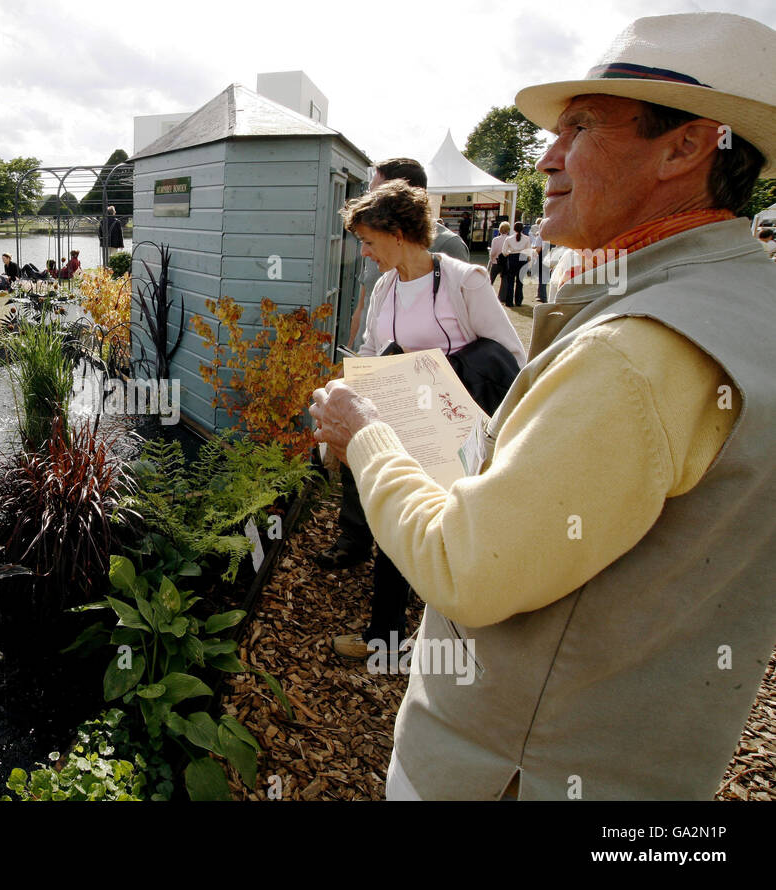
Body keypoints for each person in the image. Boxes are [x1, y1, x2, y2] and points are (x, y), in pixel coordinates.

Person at [310, 11, 776, 800]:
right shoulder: (743, 300)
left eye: (581, 127)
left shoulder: (634, 351)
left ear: (688, 146)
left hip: (510, 771)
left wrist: (366, 435)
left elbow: (468, 566)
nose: (546, 157)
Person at [329, 180, 525, 660]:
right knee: (399, 522)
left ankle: (449, 637)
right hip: (406, 424)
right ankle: (389, 637)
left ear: (398, 234)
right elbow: (375, 352)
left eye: (369, 242)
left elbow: (512, 357)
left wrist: (446, 371)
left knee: (457, 527)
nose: (366, 253)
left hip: (459, 428)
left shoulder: (465, 281)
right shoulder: (385, 288)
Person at [330, 158, 472, 571]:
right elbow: (365, 302)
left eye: (376, 191)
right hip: (377, 367)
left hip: (423, 394)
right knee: (359, 454)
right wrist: (357, 359)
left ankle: (407, 556)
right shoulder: (374, 245)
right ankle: (354, 539)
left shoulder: (448, 250)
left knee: (408, 472)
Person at [497, 221, 532, 307]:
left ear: (514, 229)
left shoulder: (509, 239)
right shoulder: (527, 238)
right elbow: (528, 251)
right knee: (520, 281)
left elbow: (504, 252)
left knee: (510, 281)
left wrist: (509, 253)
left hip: (512, 258)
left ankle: (509, 302)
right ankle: (518, 301)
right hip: (523, 258)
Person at [487, 221, 511, 285]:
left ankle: (487, 293)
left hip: (496, 262)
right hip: (505, 263)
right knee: (504, 282)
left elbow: (493, 253)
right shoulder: (510, 240)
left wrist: (491, 258)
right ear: (508, 230)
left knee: (490, 280)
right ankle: (502, 294)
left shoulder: (495, 240)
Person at [530, 219, 548, 302]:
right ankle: (540, 294)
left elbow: (538, 249)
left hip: (542, 256)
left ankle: (543, 296)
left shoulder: (540, 235)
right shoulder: (551, 234)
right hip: (550, 256)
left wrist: (533, 251)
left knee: (541, 276)